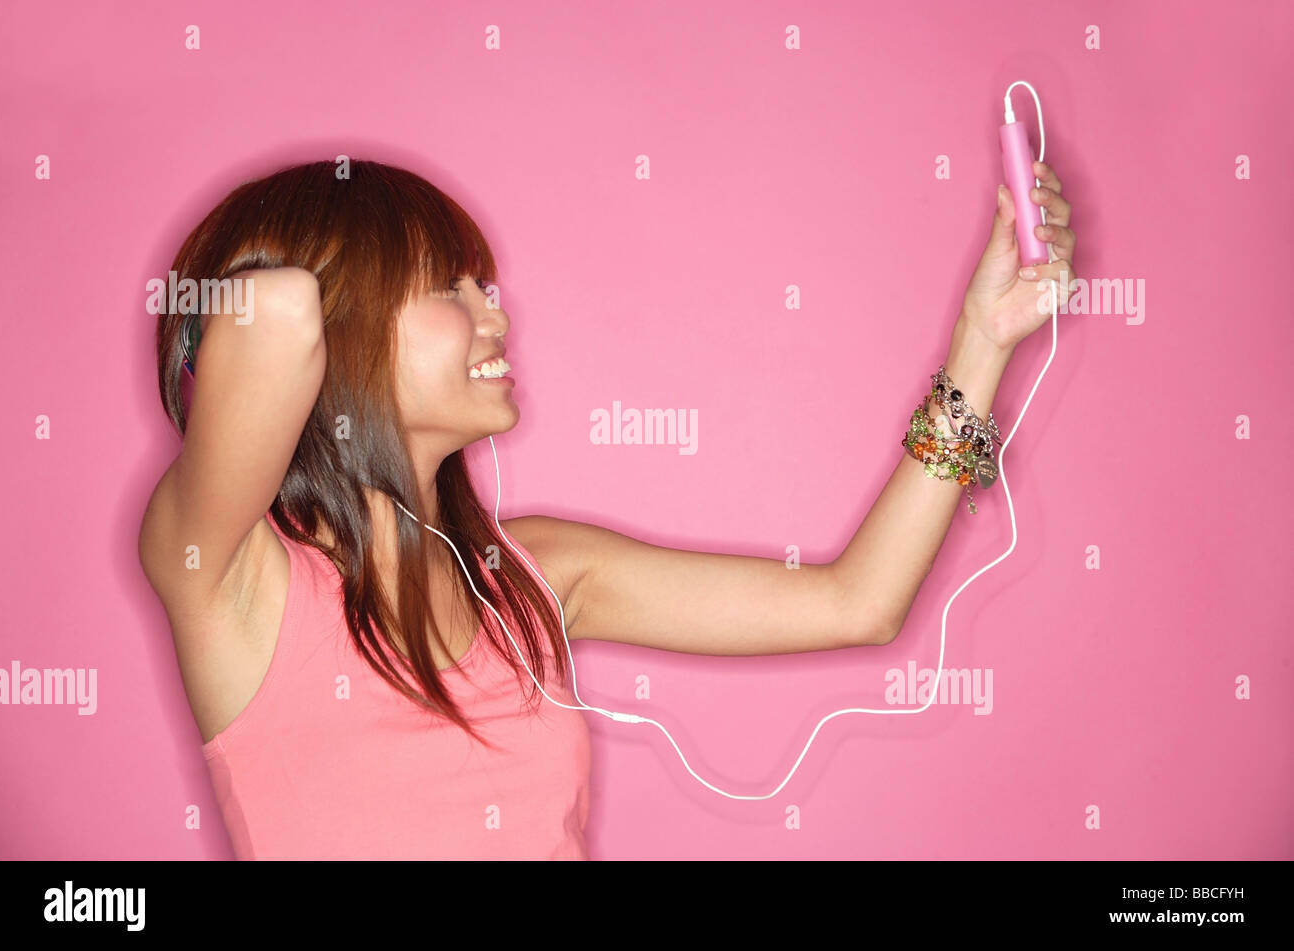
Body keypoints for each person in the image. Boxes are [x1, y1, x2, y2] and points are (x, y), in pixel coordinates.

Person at [138, 158, 1076, 860]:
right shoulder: (226, 576)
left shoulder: (537, 575)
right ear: (344, 326)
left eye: (484, 285)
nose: (494, 314)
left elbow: (857, 602)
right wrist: (337, 240)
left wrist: (982, 342)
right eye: (446, 287)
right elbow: (277, 313)